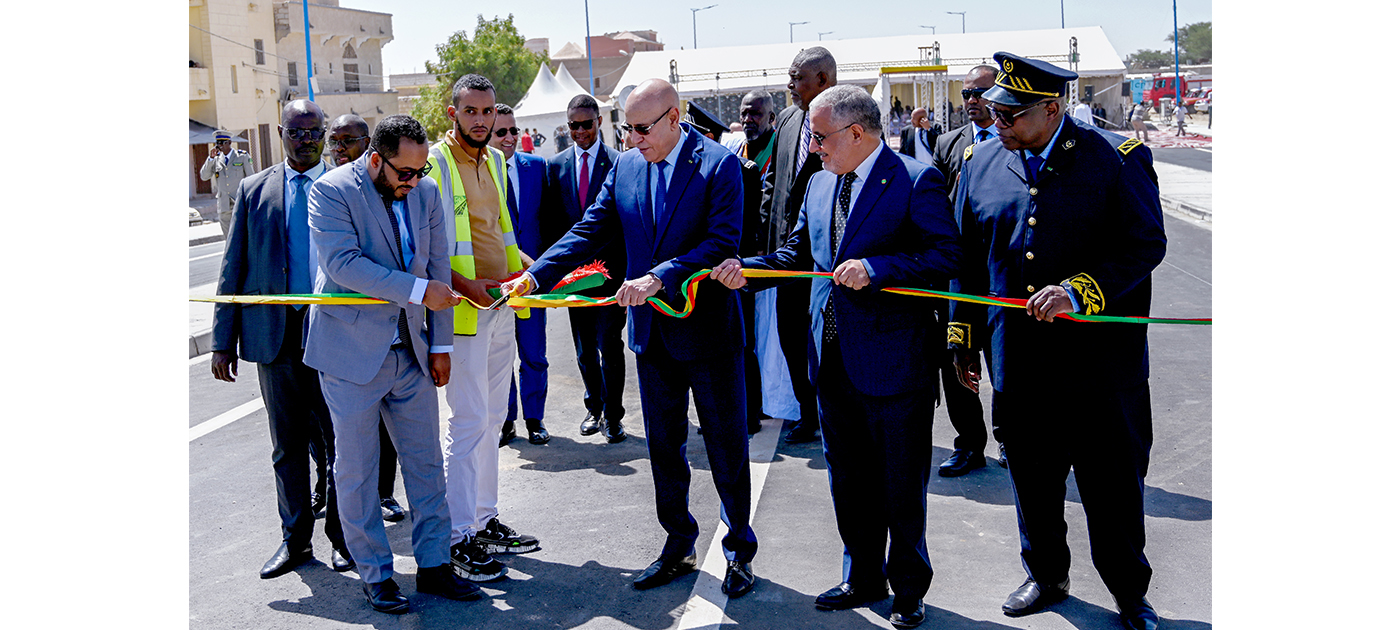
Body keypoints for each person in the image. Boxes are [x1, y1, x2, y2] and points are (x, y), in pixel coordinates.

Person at [713, 84, 960, 629]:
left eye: (821, 137)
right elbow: (796, 253)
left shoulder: (917, 181)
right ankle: (862, 575)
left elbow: (945, 256)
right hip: (832, 361)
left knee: (901, 485)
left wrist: (879, 269)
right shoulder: (821, 184)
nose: (814, 147)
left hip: (895, 365)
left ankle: (909, 588)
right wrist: (745, 270)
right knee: (848, 480)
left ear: (856, 132)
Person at [501, 78, 759, 599]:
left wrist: (659, 275)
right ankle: (678, 544)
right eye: (627, 129)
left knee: (727, 450)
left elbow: (721, 241)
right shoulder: (625, 167)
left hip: (708, 335)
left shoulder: (718, 164)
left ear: (675, 116)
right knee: (665, 449)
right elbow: (589, 230)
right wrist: (536, 276)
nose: (633, 138)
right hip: (653, 338)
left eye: (642, 128)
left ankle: (738, 549)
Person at [947, 52, 1166, 630]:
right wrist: (963, 338)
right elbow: (968, 259)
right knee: (1033, 479)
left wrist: (1081, 290)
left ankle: (1128, 590)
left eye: (1012, 113)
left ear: (1052, 108)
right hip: (1018, 366)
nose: (997, 119)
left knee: (1112, 486)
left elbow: (1145, 246)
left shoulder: (1116, 159)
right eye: (995, 108)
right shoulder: (980, 161)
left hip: (1100, 370)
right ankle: (1045, 573)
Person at [304, 114, 483, 613]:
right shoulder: (332, 191)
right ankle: (377, 574)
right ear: (376, 160)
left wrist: (442, 346)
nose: (414, 180)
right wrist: (417, 290)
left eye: (421, 171)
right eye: (405, 171)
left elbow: (439, 268)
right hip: (349, 355)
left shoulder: (425, 192)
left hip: (414, 351)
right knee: (358, 470)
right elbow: (342, 264)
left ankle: (435, 566)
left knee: (425, 464)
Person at [210, 100, 353, 581]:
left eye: (316, 133)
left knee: (342, 445)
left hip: (335, 333)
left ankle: (343, 538)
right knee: (287, 446)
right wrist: (222, 340)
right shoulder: (253, 190)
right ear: (280, 132)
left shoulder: (347, 187)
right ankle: (295, 542)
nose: (307, 140)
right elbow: (234, 267)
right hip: (275, 337)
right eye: (298, 132)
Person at [424, 74, 541, 583]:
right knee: (469, 425)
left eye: (487, 112)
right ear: (453, 113)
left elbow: (502, 235)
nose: (480, 120)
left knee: (493, 421)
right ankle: (457, 537)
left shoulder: (496, 160)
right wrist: (467, 286)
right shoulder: (432, 162)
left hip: (500, 307)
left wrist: (540, 273)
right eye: (470, 111)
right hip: (463, 312)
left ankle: (485, 520)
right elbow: (425, 248)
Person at [313, 113, 409, 523]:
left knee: (389, 452)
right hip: (335, 340)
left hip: (397, 343)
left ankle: (384, 503)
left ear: (368, 146)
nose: (337, 148)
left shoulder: (406, 190)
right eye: (332, 140)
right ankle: (347, 545)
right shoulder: (330, 190)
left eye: (346, 140)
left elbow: (425, 260)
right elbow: (343, 265)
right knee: (341, 456)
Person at [929, 65, 1006, 476]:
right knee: (957, 357)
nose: (972, 101)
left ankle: (1009, 438)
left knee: (1004, 361)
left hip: (1000, 274)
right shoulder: (948, 144)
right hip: (958, 275)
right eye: (966, 95)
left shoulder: (1016, 140)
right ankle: (969, 444)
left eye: (980, 93)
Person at [759, 45, 838, 444]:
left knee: (828, 341)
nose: (790, 85)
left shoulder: (847, 119)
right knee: (792, 339)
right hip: (787, 258)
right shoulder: (789, 119)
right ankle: (809, 414)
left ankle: (834, 413)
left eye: (797, 78)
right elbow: (776, 182)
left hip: (828, 258)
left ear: (823, 80)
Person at [543, 94, 628, 442]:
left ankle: (614, 415)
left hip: (610, 274)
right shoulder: (555, 166)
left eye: (586, 124)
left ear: (599, 122)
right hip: (574, 277)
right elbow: (552, 226)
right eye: (573, 125)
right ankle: (594, 406)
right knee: (583, 349)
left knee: (610, 345)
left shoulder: (621, 163)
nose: (580, 131)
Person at [490, 104, 552, 446]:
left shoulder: (537, 168)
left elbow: (549, 219)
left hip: (533, 278)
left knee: (533, 352)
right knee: (500, 356)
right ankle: (506, 420)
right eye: (502, 132)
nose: (511, 138)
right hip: (497, 280)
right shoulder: (481, 173)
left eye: (515, 131)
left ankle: (535, 418)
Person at [730, 90, 780, 433]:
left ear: (770, 117)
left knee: (773, 339)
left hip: (773, 261)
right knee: (747, 336)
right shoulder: (737, 150)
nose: (749, 120)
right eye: (745, 114)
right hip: (742, 260)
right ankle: (753, 406)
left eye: (756, 115)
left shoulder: (779, 151)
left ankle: (778, 405)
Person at [200, 129, 256, 237]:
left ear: (229, 143)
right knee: (228, 239)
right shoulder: (216, 159)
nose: (219, 146)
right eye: (217, 143)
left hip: (239, 203)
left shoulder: (242, 157)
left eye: (222, 143)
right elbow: (204, 176)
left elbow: (251, 180)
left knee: (243, 236)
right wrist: (210, 159)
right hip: (224, 206)